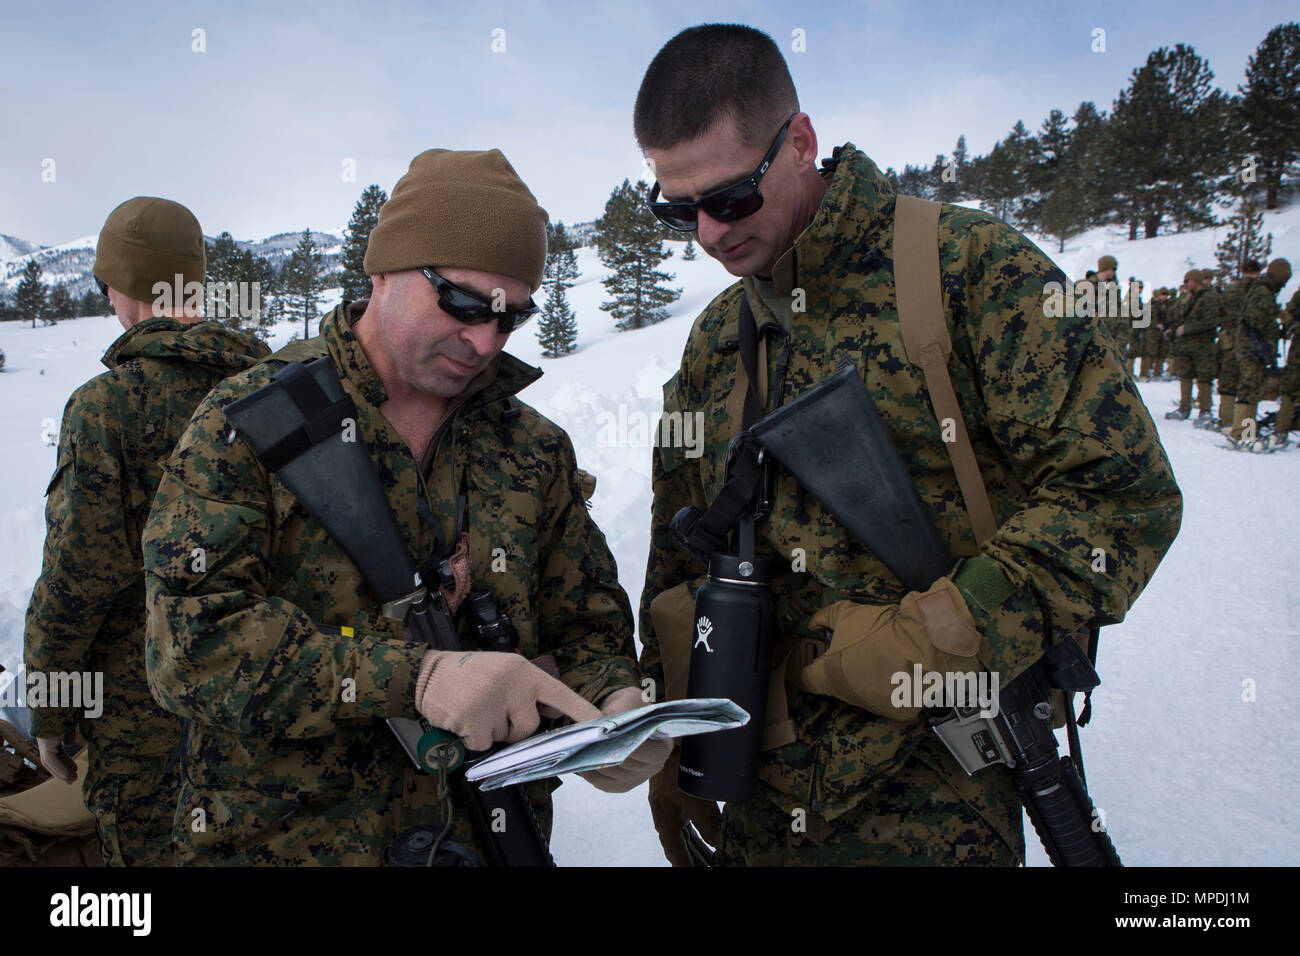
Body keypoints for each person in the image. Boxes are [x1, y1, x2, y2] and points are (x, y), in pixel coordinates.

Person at [632, 23, 1182, 867]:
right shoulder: (715, 339)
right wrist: (676, 750)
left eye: (731, 198)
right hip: (754, 802)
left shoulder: (970, 270)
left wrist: (938, 634)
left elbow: (1122, 496)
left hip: (934, 806)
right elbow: (679, 565)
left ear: (801, 141)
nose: (707, 232)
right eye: (678, 209)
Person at [141, 149, 667, 865]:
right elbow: (186, 645)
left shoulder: (533, 449)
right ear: (382, 268)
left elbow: (587, 626)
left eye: (511, 318)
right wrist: (414, 678)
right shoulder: (253, 422)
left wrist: (610, 712)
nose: (484, 340)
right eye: (461, 303)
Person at [23, 197, 270, 865]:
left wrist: (49, 708)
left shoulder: (107, 407)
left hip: (145, 718)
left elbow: (79, 578)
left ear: (120, 291)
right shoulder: (275, 388)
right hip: (271, 700)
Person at [1230, 258, 1292, 446]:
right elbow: (1254, 319)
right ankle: (1242, 433)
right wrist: (1273, 328)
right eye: (1283, 279)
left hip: (1254, 348)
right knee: (1249, 389)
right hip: (1253, 349)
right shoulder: (1262, 292)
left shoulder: (1263, 291)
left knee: (1253, 389)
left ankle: (1246, 432)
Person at [1164, 269, 1222, 423]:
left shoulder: (1210, 297)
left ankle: (1205, 410)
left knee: (1204, 377)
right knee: (1185, 375)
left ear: (1195, 281)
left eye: (1187, 281)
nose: (1184, 284)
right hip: (1186, 345)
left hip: (1202, 345)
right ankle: (1184, 407)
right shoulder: (1188, 298)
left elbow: (1210, 321)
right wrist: (1173, 329)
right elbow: (1181, 317)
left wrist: (1187, 329)